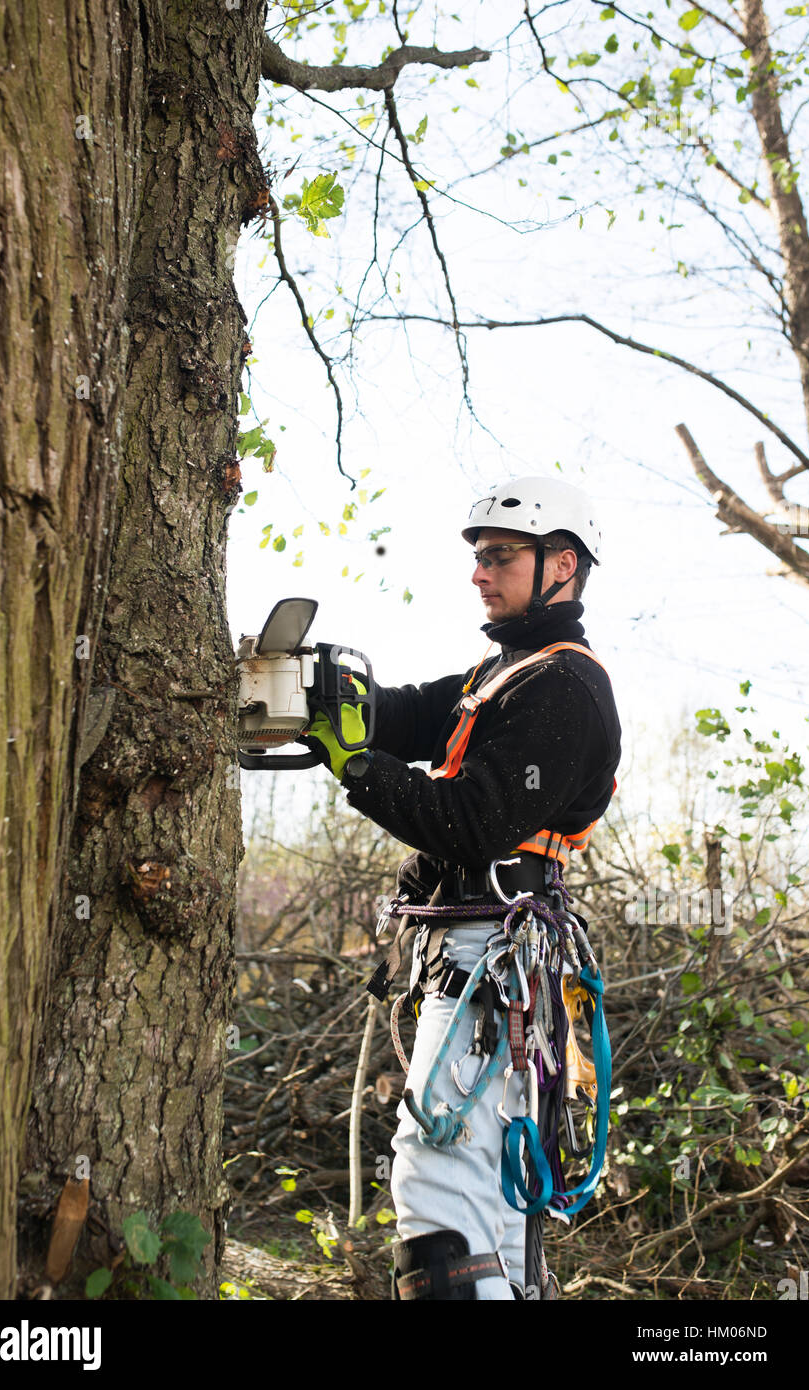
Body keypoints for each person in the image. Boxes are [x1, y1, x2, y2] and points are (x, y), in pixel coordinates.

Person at [303, 476, 621, 1300]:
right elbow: (408, 714)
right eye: (478, 559)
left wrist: (356, 769)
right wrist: (317, 702)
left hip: (491, 963)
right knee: (488, 1200)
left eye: (499, 557)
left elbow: (472, 822)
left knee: (439, 1186)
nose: (480, 574)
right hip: (490, 967)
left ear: (562, 564)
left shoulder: (564, 687)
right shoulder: (505, 672)